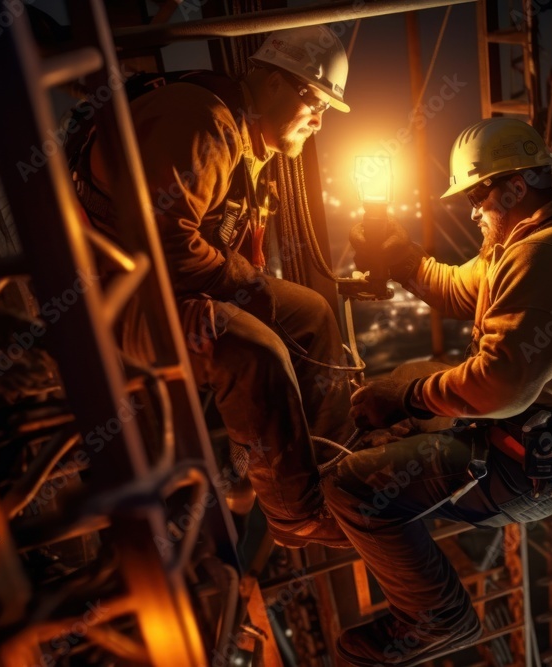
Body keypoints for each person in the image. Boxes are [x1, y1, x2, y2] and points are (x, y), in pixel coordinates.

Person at [325, 117, 552, 665]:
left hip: (520, 471)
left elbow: (500, 387)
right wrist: (403, 259)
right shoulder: (537, 242)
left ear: (515, 187)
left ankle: (435, 618)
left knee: (349, 487)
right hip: (533, 445)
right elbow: (464, 290)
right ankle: (383, 518)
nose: (472, 211)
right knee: (406, 377)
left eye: (477, 197)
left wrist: (405, 400)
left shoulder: (541, 257)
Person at [73, 25, 355, 548]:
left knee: (312, 313)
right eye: (314, 101)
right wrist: (239, 286)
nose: (319, 120)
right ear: (273, 81)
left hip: (167, 287)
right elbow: (164, 242)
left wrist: (240, 286)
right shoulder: (201, 122)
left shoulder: (247, 145)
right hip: (118, 298)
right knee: (253, 352)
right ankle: (297, 516)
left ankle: (340, 475)